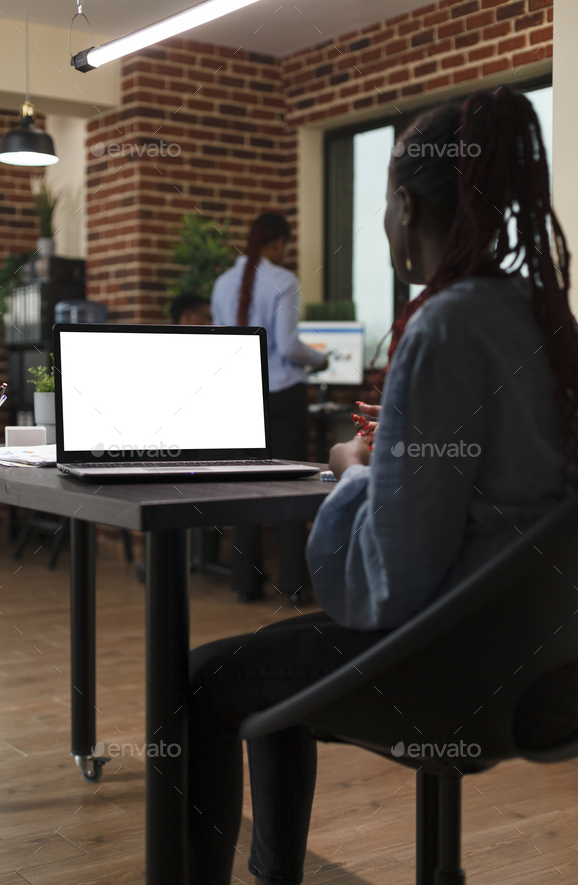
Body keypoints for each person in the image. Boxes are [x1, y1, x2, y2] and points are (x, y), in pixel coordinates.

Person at [187, 87, 578, 885]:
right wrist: (391, 461)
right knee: (269, 657)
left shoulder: (444, 324)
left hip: (451, 672)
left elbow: (385, 585)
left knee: (200, 681)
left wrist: (354, 471)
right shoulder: (541, 314)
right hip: (546, 673)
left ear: (402, 203)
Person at [211, 212, 328, 604]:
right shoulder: (284, 280)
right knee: (290, 488)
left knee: (249, 489)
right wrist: (321, 360)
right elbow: (289, 346)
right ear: (277, 243)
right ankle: (294, 584)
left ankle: (247, 582)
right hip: (283, 395)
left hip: (241, 399)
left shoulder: (222, 284)